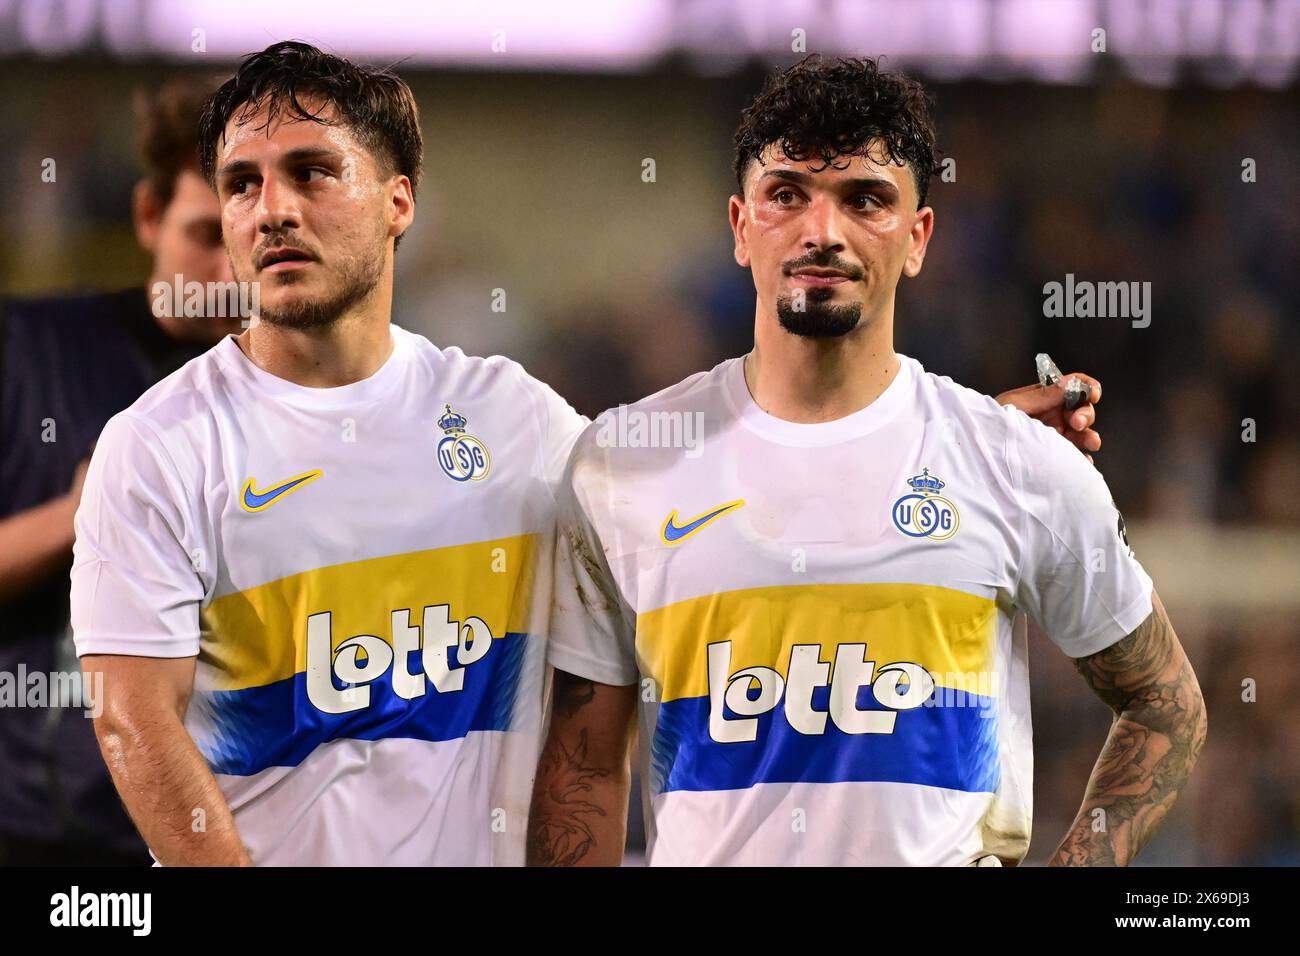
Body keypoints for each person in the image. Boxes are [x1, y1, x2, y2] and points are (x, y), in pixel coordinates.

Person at [72, 43, 1109, 867]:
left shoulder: (509, 418)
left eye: (309, 171)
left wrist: (963, 434)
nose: (272, 209)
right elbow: (133, 725)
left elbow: (715, 468)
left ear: (399, 201)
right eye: (243, 184)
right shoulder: (160, 449)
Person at [528, 55, 1206, 867]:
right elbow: (586, 769)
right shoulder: (622, 468)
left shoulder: (1015, 464)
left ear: (917, 238)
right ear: (741, 227)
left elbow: (1166, 706)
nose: (823, 232)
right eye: (787, 195)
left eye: (865, 200)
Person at [0, 75, 236, 865]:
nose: (229, 271)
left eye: (245, 239)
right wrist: (79, 517)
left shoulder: (302, 397)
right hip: (30, 828)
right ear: (147, 216)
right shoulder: (27, 350)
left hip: (214, 827)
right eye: (205, 234)